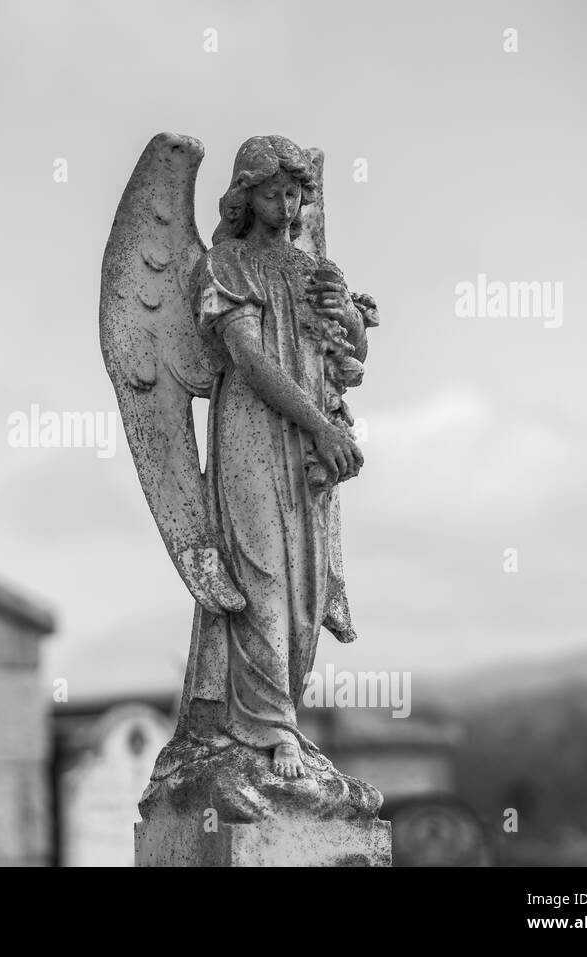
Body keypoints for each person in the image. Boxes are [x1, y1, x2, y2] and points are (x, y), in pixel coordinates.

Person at [191, 135, 366, 778]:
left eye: (295, 193)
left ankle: (285, 710)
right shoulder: (226, 264)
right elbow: (249, 359)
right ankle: (265, 729)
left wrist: (346, 317)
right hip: (253, 430)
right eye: (272, 191)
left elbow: (347, 364)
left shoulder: (313, 270)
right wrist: (322, 425)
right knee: (262, 569)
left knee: (305, 582)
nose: (286, 204)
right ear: (245, 195)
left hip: (308, 439)